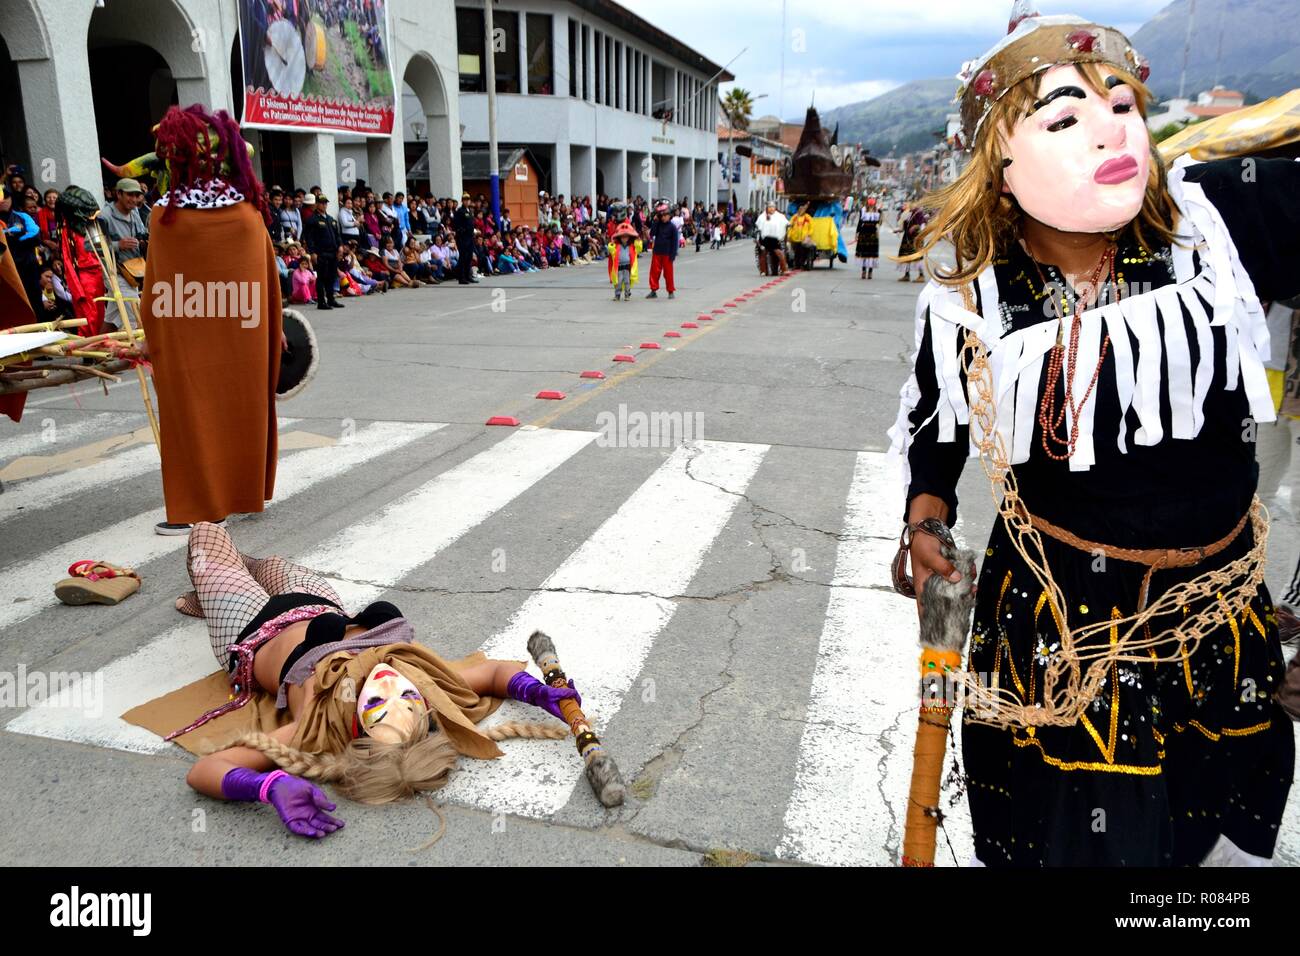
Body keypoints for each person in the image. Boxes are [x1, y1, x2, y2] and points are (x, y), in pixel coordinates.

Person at [890, 3, 1299, 866]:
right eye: (1066, 116)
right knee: (1068, 839)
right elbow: (939, 424)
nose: (1108, 131)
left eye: (1123, 107)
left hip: (1215, 610)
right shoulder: (972, 292)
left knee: (1205, 847)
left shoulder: (1216, 231)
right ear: (1001, 166)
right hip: (1054, 619)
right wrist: (924, 519)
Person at [171, 524, 578, 839]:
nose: (389, 686)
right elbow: (492, 675)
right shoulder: (421, 686)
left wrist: (267, 785)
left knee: (207, 534)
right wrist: (539, 692)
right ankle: (218, 585)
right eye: (407, 702)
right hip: (316, 601)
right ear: (424, 712)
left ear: (356, 728)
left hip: (249, 629)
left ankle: (213, 592)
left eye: (378, 709)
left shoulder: (315, 725)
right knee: (269, 563)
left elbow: (206, 770)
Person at [122, 104, 283, 536]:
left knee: (189, 412)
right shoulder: (249, 215)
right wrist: (276, 331)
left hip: (185, 334)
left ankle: (197, 506)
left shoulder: (165, 217)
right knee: (240, 406)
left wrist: (147, 339)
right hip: (245, 334)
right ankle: (239, 491)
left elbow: (156, 291)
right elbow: (269, 286)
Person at [303, 194, 344, 310]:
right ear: (316, 204)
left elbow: (337, 235)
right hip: (320, 253)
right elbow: (309, 238)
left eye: (325, 203)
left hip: (332, 252)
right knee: (321, 277)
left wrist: (340, 246)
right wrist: (312, 252)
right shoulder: (312, 220)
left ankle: (331, 299)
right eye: (321, 203)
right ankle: (321, 302)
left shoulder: (331, 220)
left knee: (331, 276)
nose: (324, 205)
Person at [645, 201, 679, 299]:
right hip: (657, 252)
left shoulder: (672, 227)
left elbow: (675, 242)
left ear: (670, 215)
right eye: (662, 215)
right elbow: (652, 234)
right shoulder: (658, 224)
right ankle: (653, 290)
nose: (663, 217)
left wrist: (673, 254)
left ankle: (671, 291)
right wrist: (656, 221)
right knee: (654, 272)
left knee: (668, 274)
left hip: (667, 254)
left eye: (665, 215)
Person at [607, 221, 642, 302]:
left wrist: (638, 241)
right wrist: (612, 243)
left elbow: (639, 249)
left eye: (626, 237)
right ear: (619, 237)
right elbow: (610, 249)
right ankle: (617, 295)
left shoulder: (632, 246)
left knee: (627, 281)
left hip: (627, 266)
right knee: (618, 282)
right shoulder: (616, 246)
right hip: (618, 267)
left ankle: (627, 294)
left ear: (629, 237)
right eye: (622, 237)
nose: (624, 238)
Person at [755, 201, 789, 275]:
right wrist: (757, 239)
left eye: (773, 207)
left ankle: (784, 269)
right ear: (767, 208)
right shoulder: (762, 216)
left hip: (775, 239)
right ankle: (763, 271)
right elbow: (758, 228)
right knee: (763, 253)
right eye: (770, 207)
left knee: (779, 253)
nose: (771, 209)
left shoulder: (780, 216)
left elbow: (786, 224)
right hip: (764, 239)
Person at [452, 193, 477, 284]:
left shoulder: (469, 211)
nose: (467, 201)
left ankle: (468, 275)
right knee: (463, 257)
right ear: (462, 201)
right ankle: (461, 277)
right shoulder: (460, 211)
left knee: (469, 257)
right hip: (463, 238)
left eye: (468, 200)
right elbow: (456, 224)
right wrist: (462, 231)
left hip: (470, 237)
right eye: (465, 200)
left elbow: (471, 224)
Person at [856, 196, 881, 279]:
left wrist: (880, 213)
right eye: (870, 200)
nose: (871, 202)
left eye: (872, 200)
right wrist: (857, 233)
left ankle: (870, 271)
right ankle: (863, 271)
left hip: (873, 232)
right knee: (864, 252)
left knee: (872, 253)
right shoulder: (863, 210)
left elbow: (879, 222)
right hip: (864, 232)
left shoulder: (877, 210)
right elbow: (860, 222)